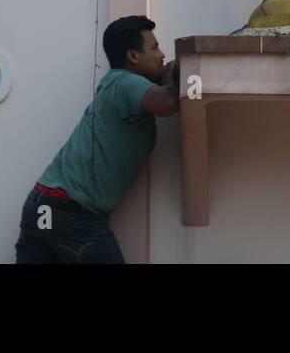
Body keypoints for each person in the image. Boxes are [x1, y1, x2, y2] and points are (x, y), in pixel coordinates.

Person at [14, 15, 179, 263]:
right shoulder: (125, 83)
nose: (162, 55)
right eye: (155, 48)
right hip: (73, 214)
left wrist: (169, 75)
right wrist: (187, 75)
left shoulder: (118, 85)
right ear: (133, 56)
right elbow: (169, 103)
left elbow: (162, 95)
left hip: (43, 204)